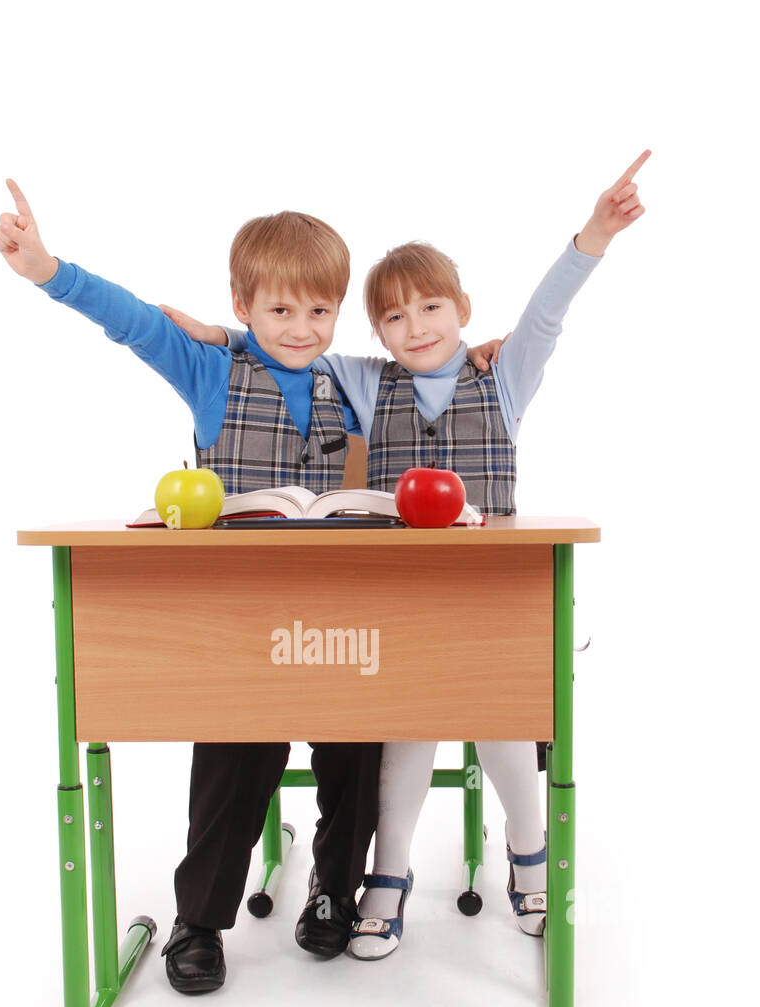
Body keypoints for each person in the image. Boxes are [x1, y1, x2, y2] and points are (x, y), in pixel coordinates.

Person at [167, 151, 650, 957]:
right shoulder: (365, 383)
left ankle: (528, 856)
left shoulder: (505, 377)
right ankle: (385, 876)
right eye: (394, 317)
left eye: (432, 308)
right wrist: (222, 333)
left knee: (498, 703)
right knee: (403, 714)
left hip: (491, 598)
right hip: (401, 605)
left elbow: (544, 317)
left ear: (462, 309)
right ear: (377, 332)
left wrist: (593, 235)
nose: (416, 327)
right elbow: (291, 347)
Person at [0, 179, 383, 993]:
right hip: (237, 620)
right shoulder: (212, 369)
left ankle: (333, 892)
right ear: (243, 303)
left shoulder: (352, 381)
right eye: (280, 312)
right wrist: (47, 268)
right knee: (236, 754)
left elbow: (434, 364)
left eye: (319, 312)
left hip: (339, 613)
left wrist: (485, 353)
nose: (301, 330)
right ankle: (199, 919)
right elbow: (133, 321)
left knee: (359, 740)